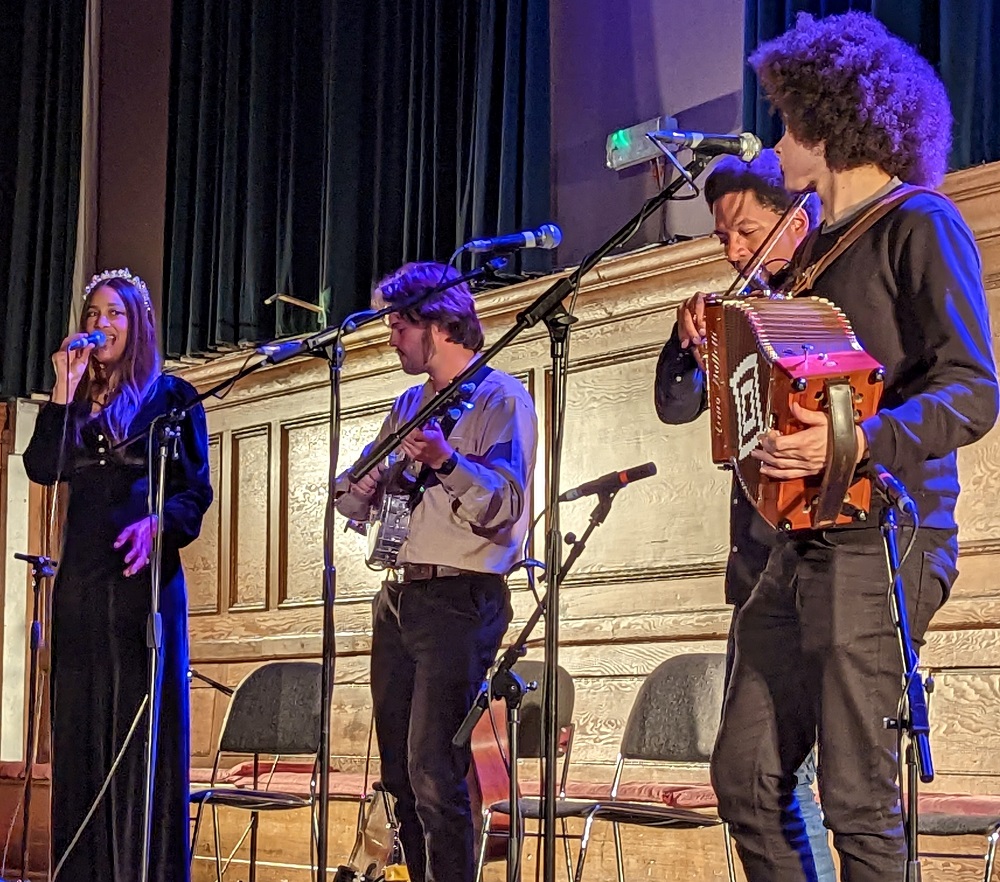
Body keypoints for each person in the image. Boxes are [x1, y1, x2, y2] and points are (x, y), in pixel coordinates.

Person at [707, 13, 999, 882]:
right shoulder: (811, 257)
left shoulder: (920, 223)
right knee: (747, 777)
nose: (779, 140)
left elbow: (975, 388)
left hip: (885, 535)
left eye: (789, 120)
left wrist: (854, 439)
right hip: (796, 541)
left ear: (827, 124)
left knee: (859, 798)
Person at [654, 149, 835, 881]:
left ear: (800, 220)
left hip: (826, 567)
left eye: (747, 231)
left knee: (808, 783)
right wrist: (686, 344)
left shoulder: (823, 304)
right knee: (754, 782)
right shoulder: (735, 315)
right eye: (724, 237)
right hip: (758, 574)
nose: (732, 251)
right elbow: (674, 407)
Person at [335, 262, 537, 882]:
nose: (392, 338)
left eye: (400, 325)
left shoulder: (502, 397)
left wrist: (447, 462)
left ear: (439, 324)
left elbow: (505, 507)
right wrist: (370, 478)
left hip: (460, 598)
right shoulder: (408, 403)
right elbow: (347, 500)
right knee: (397, 771)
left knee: (433, 768)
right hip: (400, 597)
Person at [23, 268, 213, 882]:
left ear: (139, 325)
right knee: (80, 722)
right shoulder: (72, 401)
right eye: (92, 315)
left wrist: (158, 525)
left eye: (114, 314)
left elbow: (195, 494)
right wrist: (62, 388)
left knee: (141, 731)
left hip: (144, 585)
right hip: (82, 582)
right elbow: (43, 470)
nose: (99, 325)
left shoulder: (173, 397)